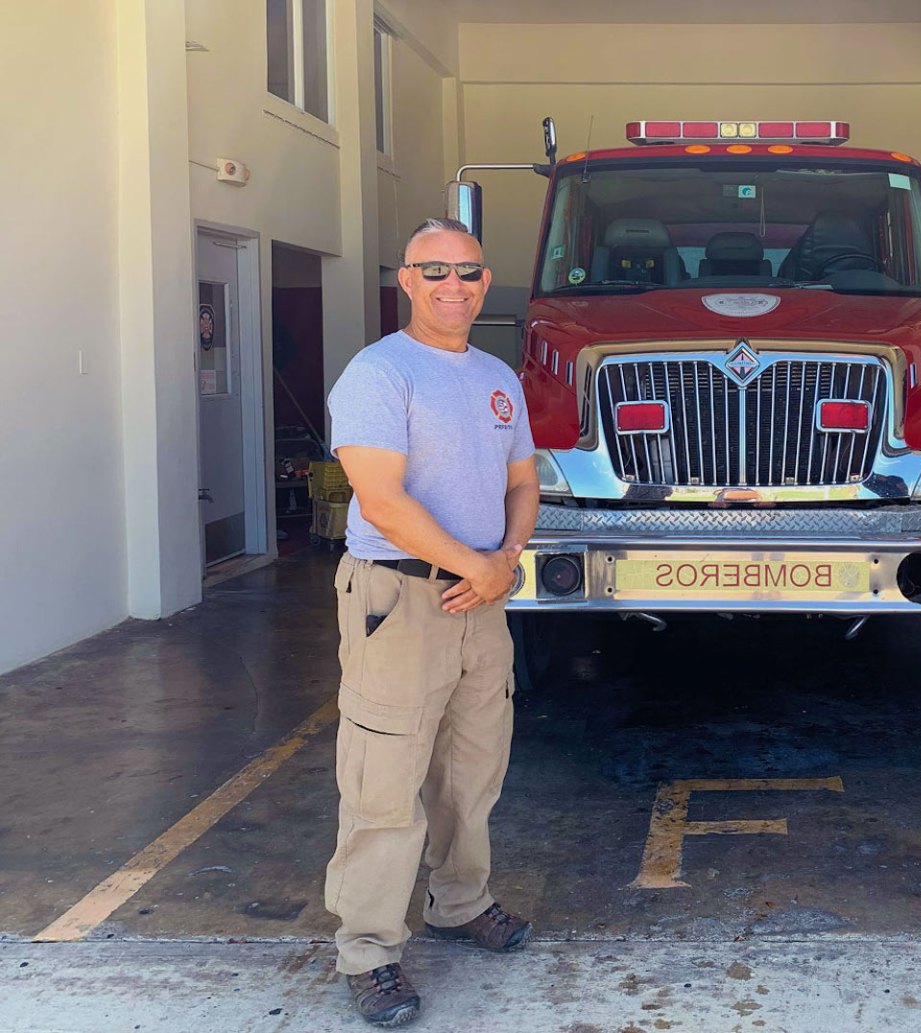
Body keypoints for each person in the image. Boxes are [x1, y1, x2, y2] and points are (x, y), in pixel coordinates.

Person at [325, 217, 541, 1026]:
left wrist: (506, 556)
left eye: (469, 272)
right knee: (384, 780)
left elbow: (523, 481)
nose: (454, 286)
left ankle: (460, 903)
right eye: (435, 271)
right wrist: (475, 564)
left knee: (471, 770)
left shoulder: (496, 377)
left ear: (486, 283)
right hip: (400, 599)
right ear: (406, 281)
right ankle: (370, 950)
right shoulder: (379, 373)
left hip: (482, 598)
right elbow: (381, 500)